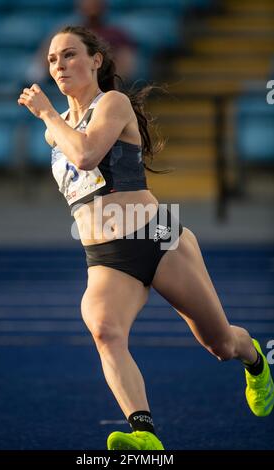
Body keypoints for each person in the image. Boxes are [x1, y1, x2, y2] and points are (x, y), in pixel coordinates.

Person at [18, 26, 274, 451]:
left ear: (96, 60)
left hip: (158, 236)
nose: (59, 65)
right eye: (52, 60)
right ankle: (145, 434)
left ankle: (254, 359)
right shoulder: (56, 129)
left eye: (69, 55)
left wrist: (46, 113)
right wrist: (53, 120)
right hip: (105, 255)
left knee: (219, 344)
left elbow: (85, 156)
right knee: (104, 330)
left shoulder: (112, 104)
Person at [26, 0, 137, 86]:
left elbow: (126, 68)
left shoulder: (117, 34)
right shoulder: (65, 32)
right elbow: (42, 63)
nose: (92, 4)